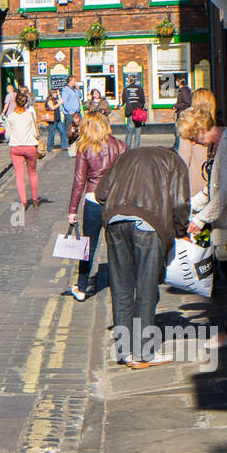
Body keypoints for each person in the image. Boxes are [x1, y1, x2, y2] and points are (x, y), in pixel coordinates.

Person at [95, 145, 190, 368]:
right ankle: (145, 352)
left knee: (121, 287)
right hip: (149, 224)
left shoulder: (125, 157)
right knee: (146, 287)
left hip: (116, 220)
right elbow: (179, 203)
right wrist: (180, 231)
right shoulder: (174, 161)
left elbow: (101, 193)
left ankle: (124, 351)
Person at [178, 107, 227, 349]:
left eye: (194, 138)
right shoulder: (222, 143)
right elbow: (214, 188)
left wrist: (200, 219)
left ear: (201, 130)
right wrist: (191, 205)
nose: (195, 143)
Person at [67, 112, 124, 301]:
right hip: (115, 202)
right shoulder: (120, 145)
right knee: (116, 246)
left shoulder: (85, 148)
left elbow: (78, 181)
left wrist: (72, 210)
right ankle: (121, 286)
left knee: (88, 247)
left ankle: (82, 288)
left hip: (93, 200)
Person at [5, 89, 41, 211]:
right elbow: (36, 133)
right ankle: (35, 199)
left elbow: (7, 136)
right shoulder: (29, 115)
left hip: (15, 147)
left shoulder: (10, 116)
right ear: (25, 103)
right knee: (32, 173)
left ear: (15, 102)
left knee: (19, 175)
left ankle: (23, 201)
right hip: (30, 146)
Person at [177, 87, 217, 196]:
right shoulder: (217, 126)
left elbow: (183, 159)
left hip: (194, 186)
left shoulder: (189, 127)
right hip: (214, 184)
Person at [120, 75, 147, 149]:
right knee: (138, 131)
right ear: (135, 80)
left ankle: (128, 149)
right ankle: (136, 148)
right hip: (138, 112)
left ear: (129, 80)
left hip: (130, 112)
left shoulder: (126, 89)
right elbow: (143, 100)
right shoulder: (139, 88)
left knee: (129, 132)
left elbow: (123, 101)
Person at [172, 77, 193, 152]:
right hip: (180, 112)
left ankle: (177, 148)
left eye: (176, 81)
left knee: (178, 131)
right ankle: (177, 147)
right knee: (177, 130)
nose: (175, 83)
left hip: (182, 113)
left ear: (179, 82)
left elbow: (187, 103)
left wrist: (176, 106)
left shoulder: (183, 91)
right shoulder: (184, 91)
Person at [60, 76, 81, 147]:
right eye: (74, 81)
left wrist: (78, 90)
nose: (75, 82)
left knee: (77, 128)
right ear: (70, 81)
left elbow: (80, 96)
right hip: (70, 113)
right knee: (68, 128)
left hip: (77, 112)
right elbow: (64, 101)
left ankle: (75, 142)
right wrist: (69, 110)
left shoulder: (74, 89)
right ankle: (65, 144)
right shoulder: (66, 90)